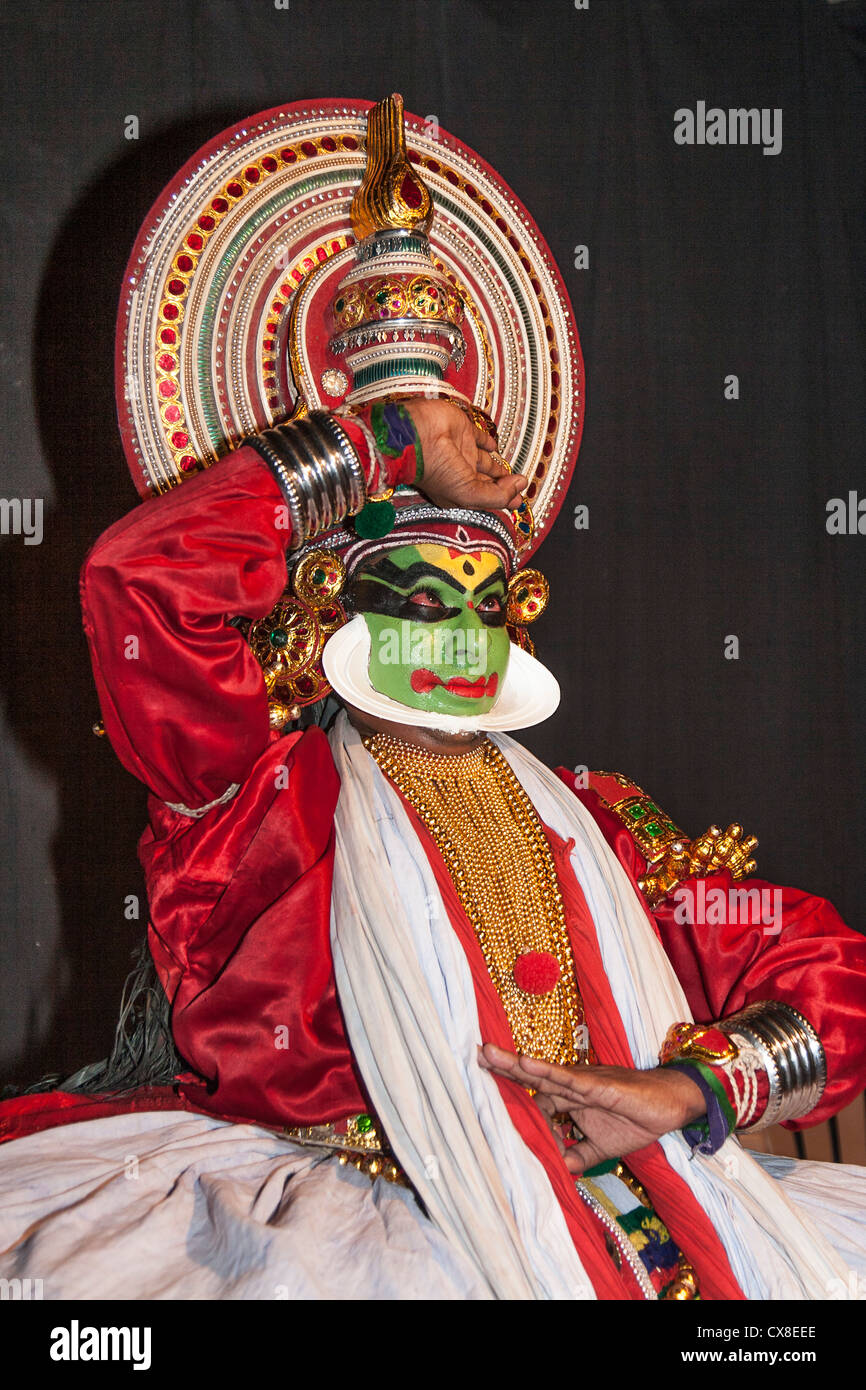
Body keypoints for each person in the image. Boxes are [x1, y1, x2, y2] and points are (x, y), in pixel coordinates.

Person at [1, 95, 864, 1302]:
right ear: (328, 605)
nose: (453, 632)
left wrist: (688, 1086)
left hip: (598, 1210)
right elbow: (138, 582)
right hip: (330, 1225)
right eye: (411, 594)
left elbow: (827, 967)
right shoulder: (249, 795)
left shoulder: (599, 826)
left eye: (481, 598)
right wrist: (392, 439)